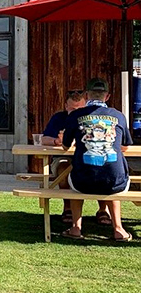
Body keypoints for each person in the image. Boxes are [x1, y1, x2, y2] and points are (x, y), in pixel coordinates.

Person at [61, 77, 133, 242]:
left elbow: (65, 146)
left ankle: (76, 228)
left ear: (86, 95)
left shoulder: (75, 115)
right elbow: (125, 146)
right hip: (115, 181)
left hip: (82, 181)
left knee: (75, 178)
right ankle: (118, 230)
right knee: (113, 175)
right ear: (107, 96)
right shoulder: (119, 116)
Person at [42, 89, 111, 227]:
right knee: (64, 167)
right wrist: (56, 141)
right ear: (66, 106)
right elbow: (44, 138)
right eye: (72, 109)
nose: (75, 112)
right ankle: (67, 208)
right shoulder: (59, 118)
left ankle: (103, 209)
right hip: (64, 157)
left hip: (89, 156)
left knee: (104, 167)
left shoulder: (92, 118)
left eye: (79, 108)